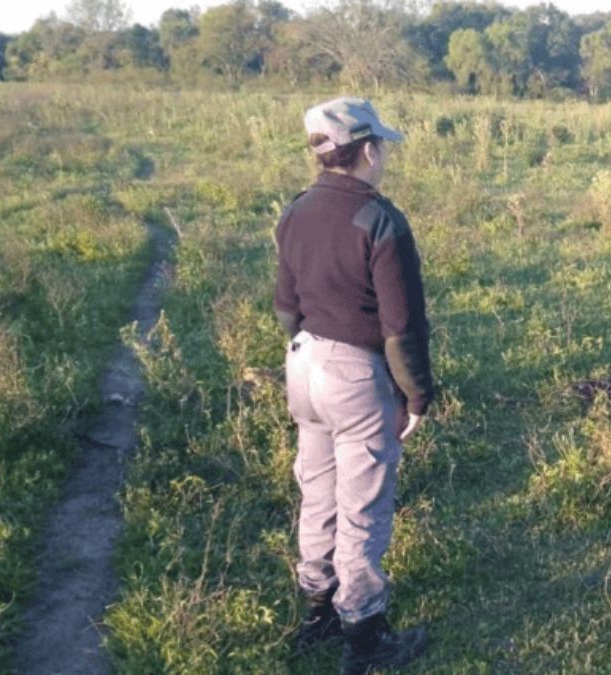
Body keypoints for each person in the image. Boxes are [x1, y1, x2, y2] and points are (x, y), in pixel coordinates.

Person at [273, 96, 434, 673]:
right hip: (355, 374)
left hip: (303, 363)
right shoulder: (381, 218)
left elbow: (286, 306)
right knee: (363, 504)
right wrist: (416, 395)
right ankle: (365, 638)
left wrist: (313, 347)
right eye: (382, 145)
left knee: (316, 490)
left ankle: (318, 609)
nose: (384, 154)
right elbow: (401, 325)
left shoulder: (294, 212)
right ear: (367, 150)